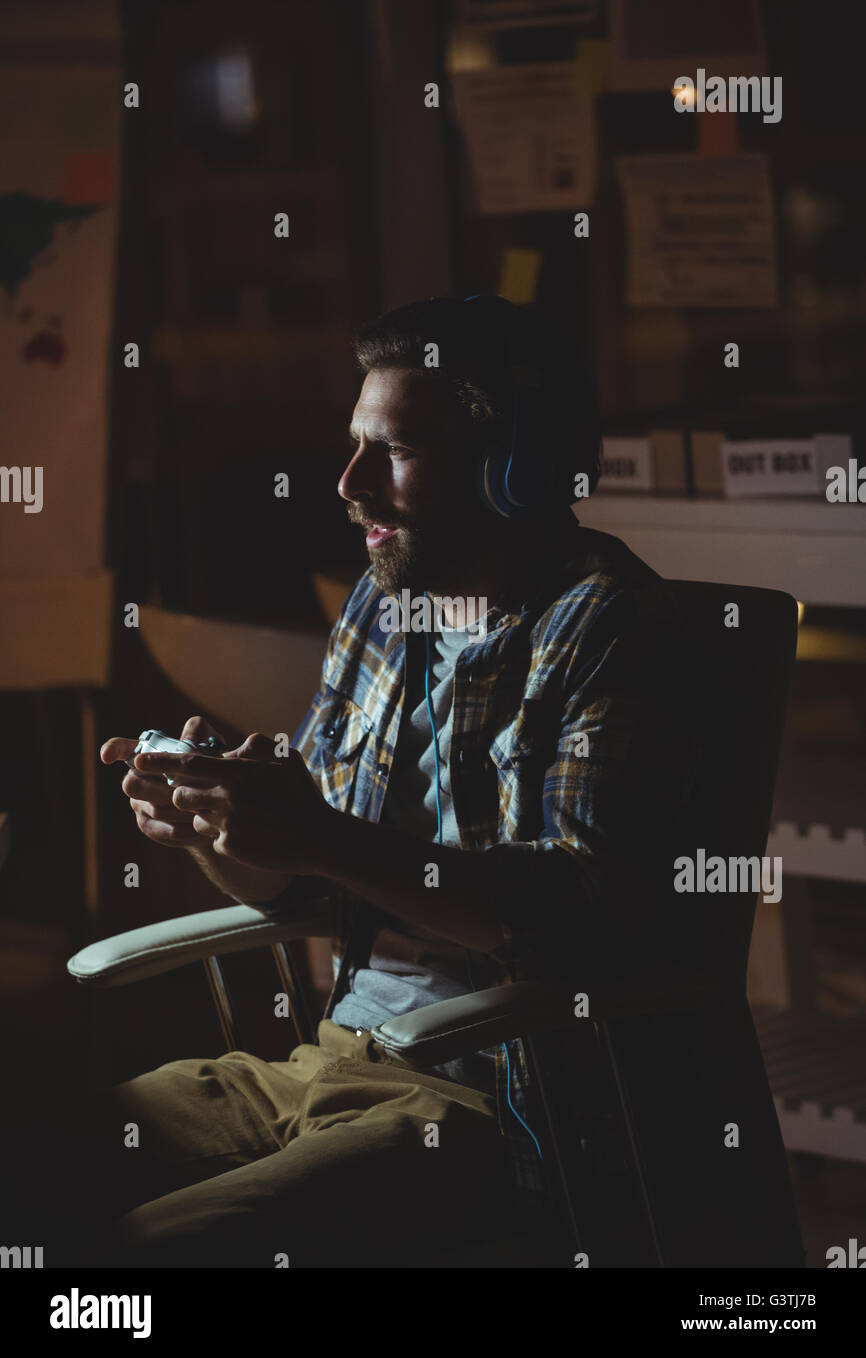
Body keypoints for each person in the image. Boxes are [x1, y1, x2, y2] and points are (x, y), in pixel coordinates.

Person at [95, 295, 699, 1268]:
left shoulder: (605, 623)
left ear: (513, 471)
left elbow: (576, 917)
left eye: (397, 450)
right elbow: (296, 888)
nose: (349, 484)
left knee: (156, 1250)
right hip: (333, 1058)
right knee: (34, 1157)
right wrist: (223, 831)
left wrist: (315, 837)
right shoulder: (387, 604)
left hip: (485, 1098)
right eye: (351, 446)